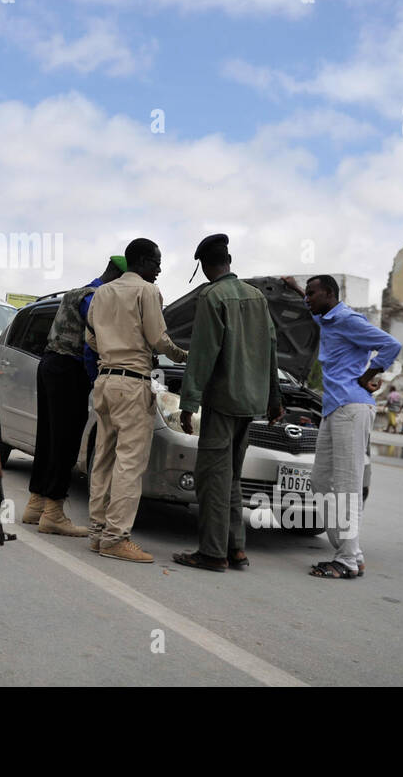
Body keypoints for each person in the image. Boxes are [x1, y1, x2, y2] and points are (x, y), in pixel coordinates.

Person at [173, 234, 283, 572]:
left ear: (205, 266)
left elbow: (203, 354)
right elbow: (271, 347)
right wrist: (274, 398)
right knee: (231, 476)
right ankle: (236, 549)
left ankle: (212, 553)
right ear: (229, 261)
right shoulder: (256, 296)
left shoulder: (213, 296)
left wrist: (189, 403)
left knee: (212, 478)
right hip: (251, 404)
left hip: (223, 402)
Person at [282, 274, 401, 580]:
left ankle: (347, 558)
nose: (308, 299)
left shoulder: (348, 319)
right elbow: (312, 310)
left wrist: (369, 375)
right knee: (320, 480)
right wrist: (295, 288)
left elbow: (391, 345)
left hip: (352, 408)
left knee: (348, 486)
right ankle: (351, 551)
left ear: (330, 294)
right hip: (334, 408)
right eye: (307, 294)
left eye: (312, 293)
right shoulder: (327, 318)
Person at [84, 238, 188, 562]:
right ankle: (116, 537)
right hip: (132, 383)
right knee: (129, 463)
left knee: (103, 458)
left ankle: (97, 531)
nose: (159, 269)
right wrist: (182, 355)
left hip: (104, 380)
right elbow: (158, 338)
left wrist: (111, 346)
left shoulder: (102, 292)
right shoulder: (147, 291)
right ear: (141, 261)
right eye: (156, 263)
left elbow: (89, 337)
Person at [23, 256, 127, 537]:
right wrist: (96, 379)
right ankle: (53, 513)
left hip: (49, 364)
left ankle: (36, 504)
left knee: (48, 438)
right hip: (69, 370)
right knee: (66, 442)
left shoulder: (76, 292)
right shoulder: (96, 299)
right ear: (120, 277)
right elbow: (93, 343)